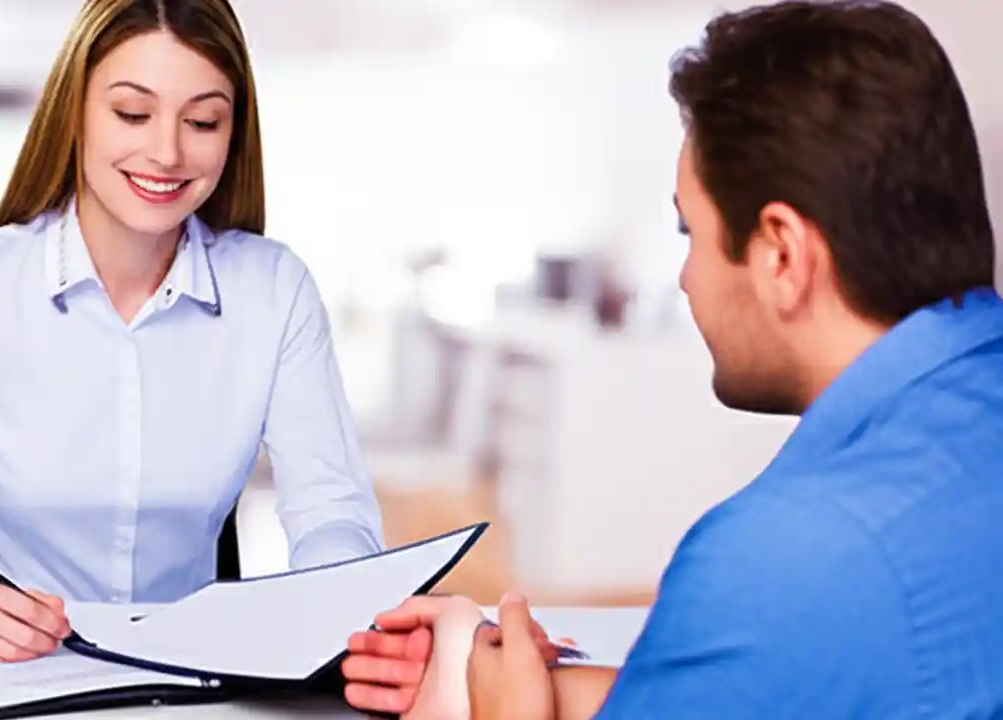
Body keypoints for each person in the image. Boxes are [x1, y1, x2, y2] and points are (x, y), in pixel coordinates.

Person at [343, 1, 1003, 717]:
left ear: (782, 254)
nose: (686, 277)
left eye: (690, 230)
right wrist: (527, 684)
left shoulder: (782, 561)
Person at [0, 0, 383, 663]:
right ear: (75, 113)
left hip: (187, 689)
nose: (167, 151)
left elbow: (333, 520)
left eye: (202, 121)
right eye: (132, 113)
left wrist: (344, 616)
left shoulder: (273, 292)